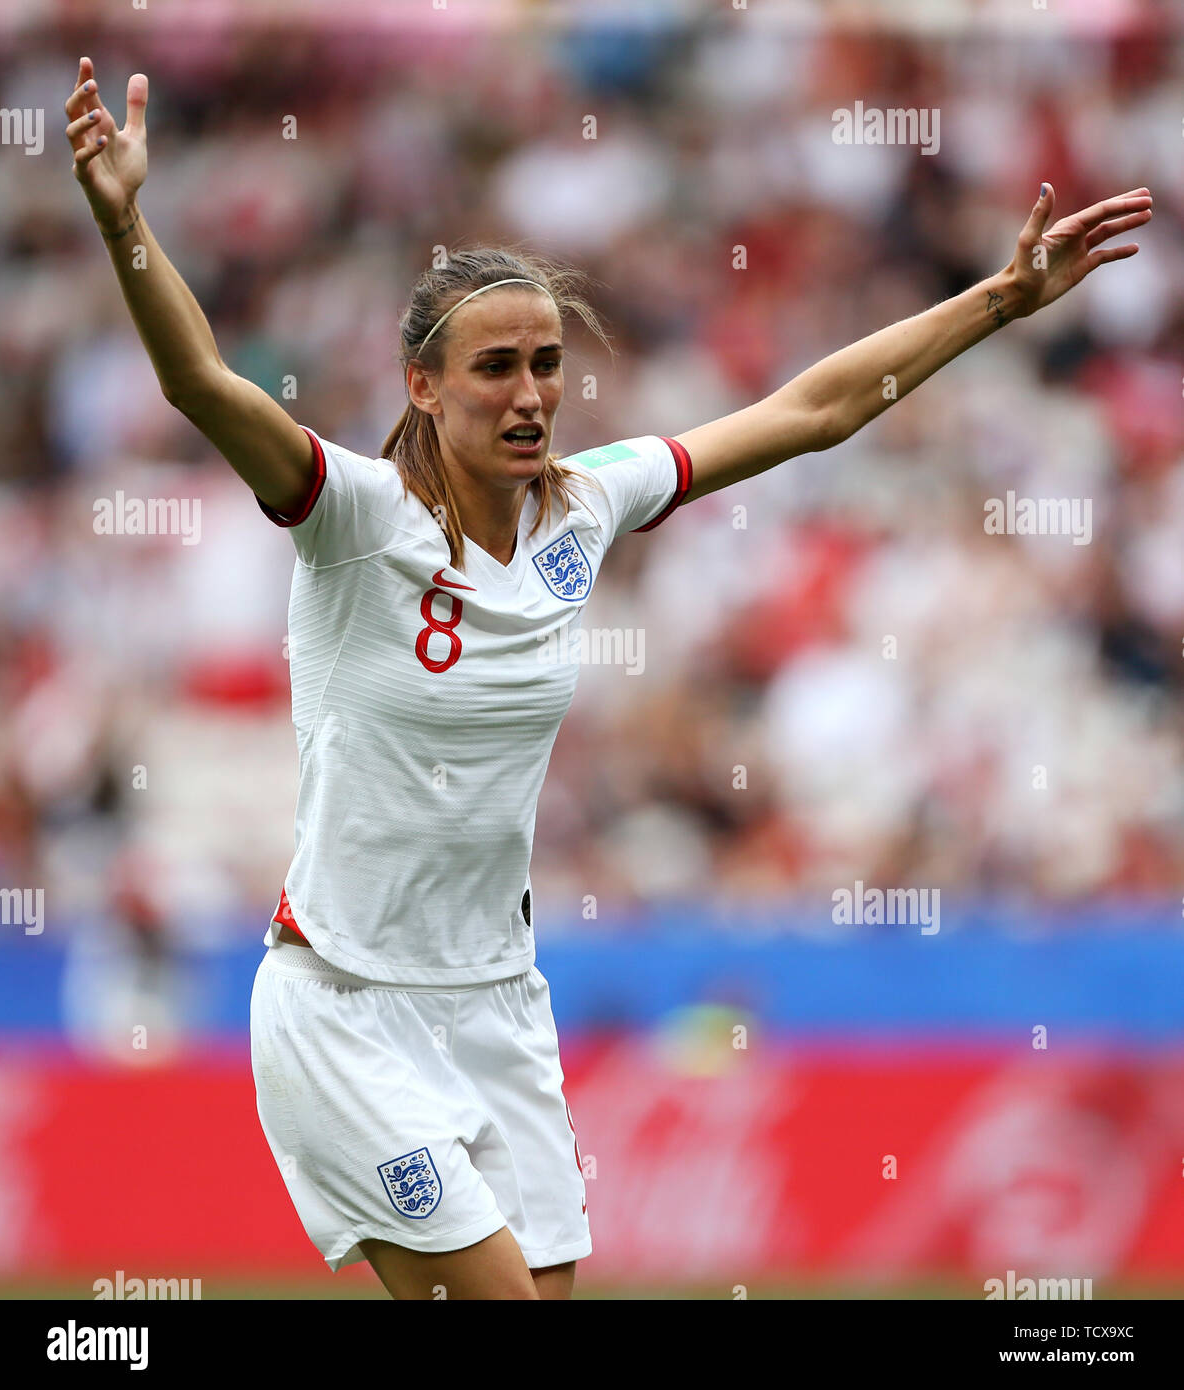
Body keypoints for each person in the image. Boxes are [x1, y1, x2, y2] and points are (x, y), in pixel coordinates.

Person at [65, 56, 1152, 1300]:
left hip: (498, 1004)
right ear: (422, 384)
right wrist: (125, 220)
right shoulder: (351, 516)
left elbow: (812, 409)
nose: (529, 394)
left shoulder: (588, 504)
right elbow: (200, 384)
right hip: (347, 1005)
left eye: (544, 362)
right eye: (494, 368)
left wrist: (999, 301)